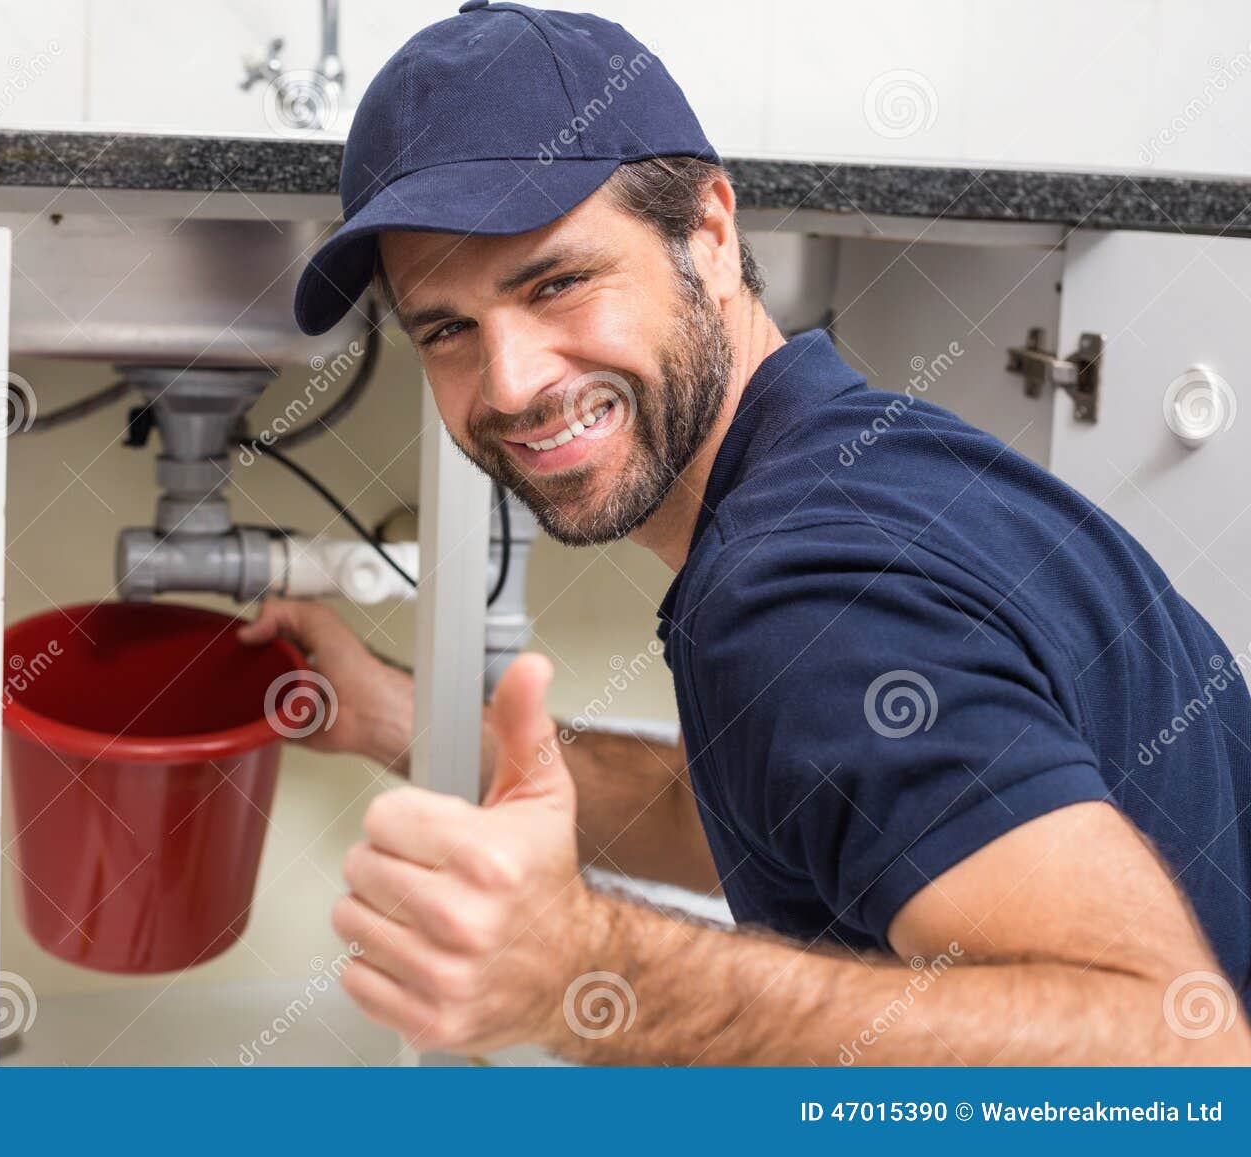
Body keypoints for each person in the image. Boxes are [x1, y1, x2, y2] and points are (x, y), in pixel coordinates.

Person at [236, 2, 1251, 1064]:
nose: (511, 382)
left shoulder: (799, 601)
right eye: (447, 329)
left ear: (710, 236)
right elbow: (763, 804)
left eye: (558, 283)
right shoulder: (863, 452)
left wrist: (586, 976)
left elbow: (1175, 1058)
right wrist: (385, 710)